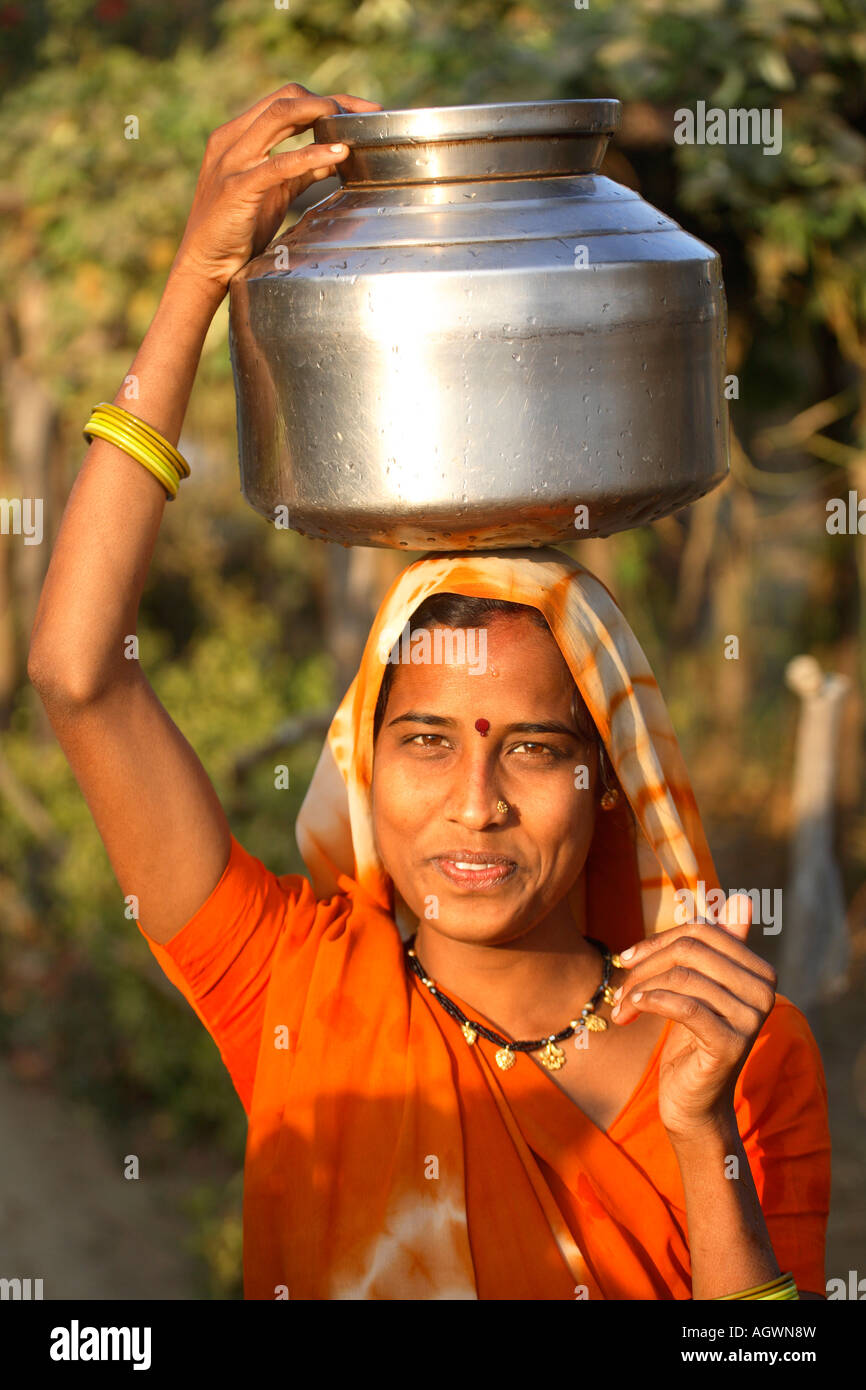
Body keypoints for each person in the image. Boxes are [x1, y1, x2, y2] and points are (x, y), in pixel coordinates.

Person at [27, 84, 830, 1302]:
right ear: (359, 761)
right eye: (425, 738)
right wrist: (197, 278)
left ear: (604, 780)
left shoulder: (733, 1045)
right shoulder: (296, 990)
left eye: (528, 748)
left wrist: (700, 1134)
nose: (473, 805)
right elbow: (80, 676)